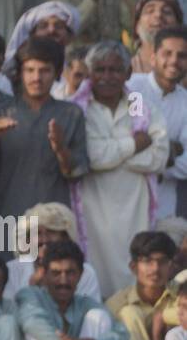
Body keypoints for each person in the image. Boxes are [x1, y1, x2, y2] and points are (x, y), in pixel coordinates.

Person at [72, 41, 170, 297]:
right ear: (90, 73)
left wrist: (111, 154)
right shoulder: (79, 108)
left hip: (134, 205)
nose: (107, 76)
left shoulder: (137, 105)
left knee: (132, 266)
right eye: (100, 69)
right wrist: (134, 145)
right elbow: (91, 157)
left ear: (127, 73)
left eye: (115, 70)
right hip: (94, 207)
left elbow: (159, 156)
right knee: (96, 271)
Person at [0, 37, 88, 220]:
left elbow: (76, 174)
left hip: (53, 218)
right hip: (6, 215)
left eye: (45, 71)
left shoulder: (71, 114)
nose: (37, 78)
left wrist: (60, 149)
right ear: (19, 73)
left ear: (58, 73)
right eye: (30, 70)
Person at [105, 231, 177, 340]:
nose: (155, 269)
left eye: (162, 261)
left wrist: (164, 315)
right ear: (133, 267)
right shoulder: (117, 304)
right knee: (130, 314)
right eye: (147, 261)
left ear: (171, 266)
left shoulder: (180, 298)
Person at [127, 26, 187, 219]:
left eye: (181, 56)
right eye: (167, 53)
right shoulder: (133, 88)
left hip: (164, 207)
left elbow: (186, 165)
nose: (174, 61)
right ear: (153, 57)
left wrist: (146, 155)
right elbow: (126, 138)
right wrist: (168, 151)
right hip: (124, 199)